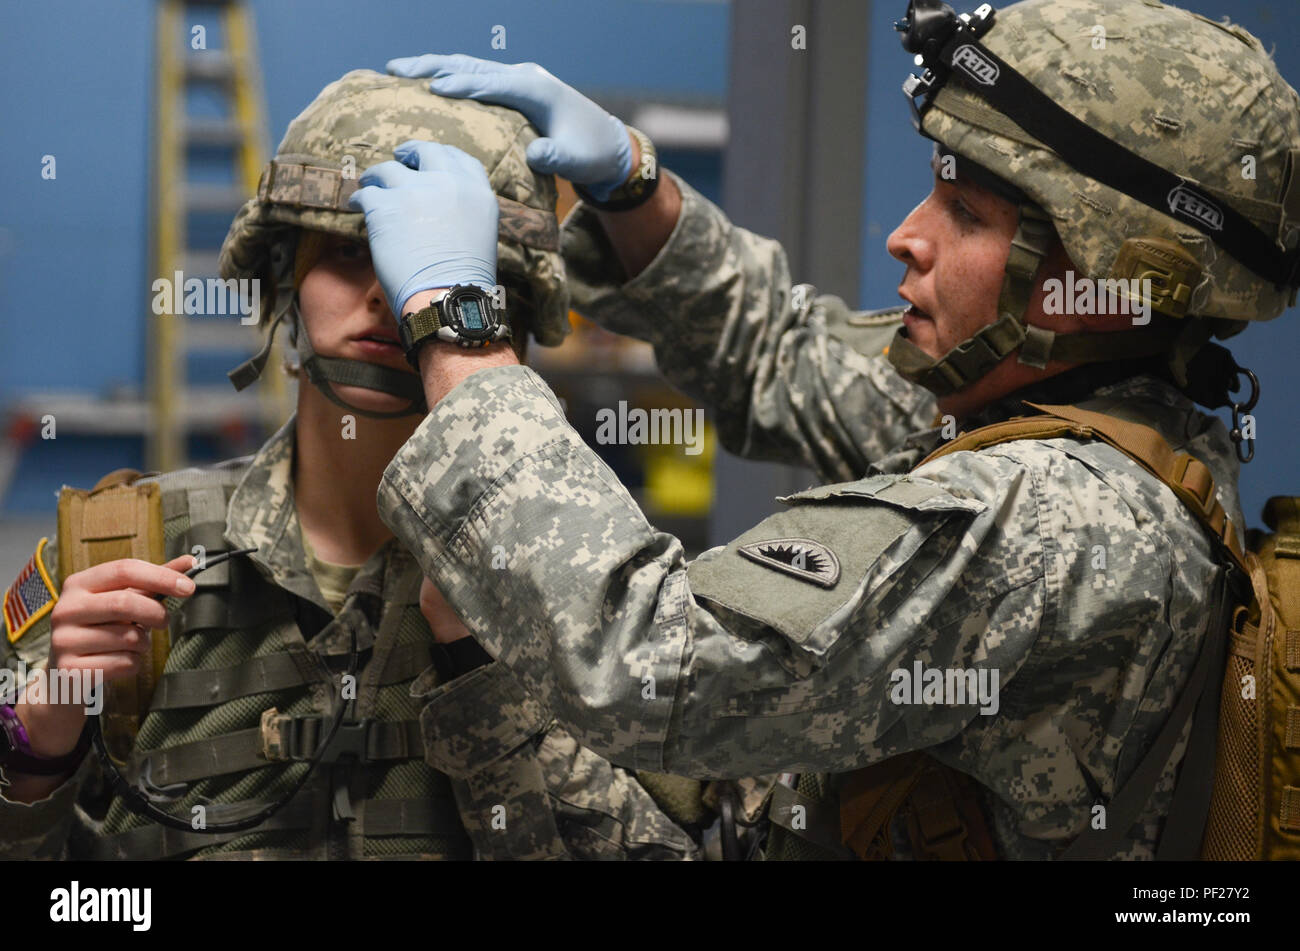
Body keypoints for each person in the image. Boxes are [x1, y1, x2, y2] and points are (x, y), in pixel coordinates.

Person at [350, 0, 1300, 859]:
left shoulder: (1055, 524)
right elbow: (780, 353)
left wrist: (456, 321)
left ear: (1110, 281)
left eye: (964, 212)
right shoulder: (1084, 412)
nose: (907, 234)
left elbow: (650, 659)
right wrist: (635, 188)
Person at [0, 69, 700, 861]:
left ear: (504, 306)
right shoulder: (118, 550)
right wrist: (37, 754)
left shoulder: (583, 578)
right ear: (284, 278)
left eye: (428, 266)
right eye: (346, 250)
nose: (384, 294)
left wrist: (484, 668)